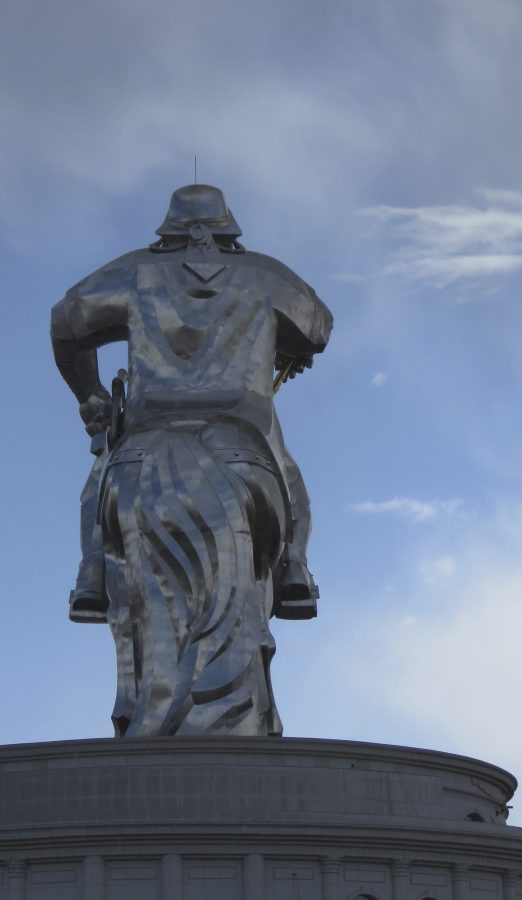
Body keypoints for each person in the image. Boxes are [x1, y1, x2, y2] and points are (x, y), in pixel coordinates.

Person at [51, 184, 331, 736]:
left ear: (169, 229)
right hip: (242, 450)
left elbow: (66, 320)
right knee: (288, 477)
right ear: (228, 229)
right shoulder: (266, 274)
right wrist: (288, 345)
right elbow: (318, 325)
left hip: (145, 450)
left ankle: (91, 573)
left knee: (98, 490)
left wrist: (90, 395)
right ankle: (295, 565)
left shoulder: (133, 272)